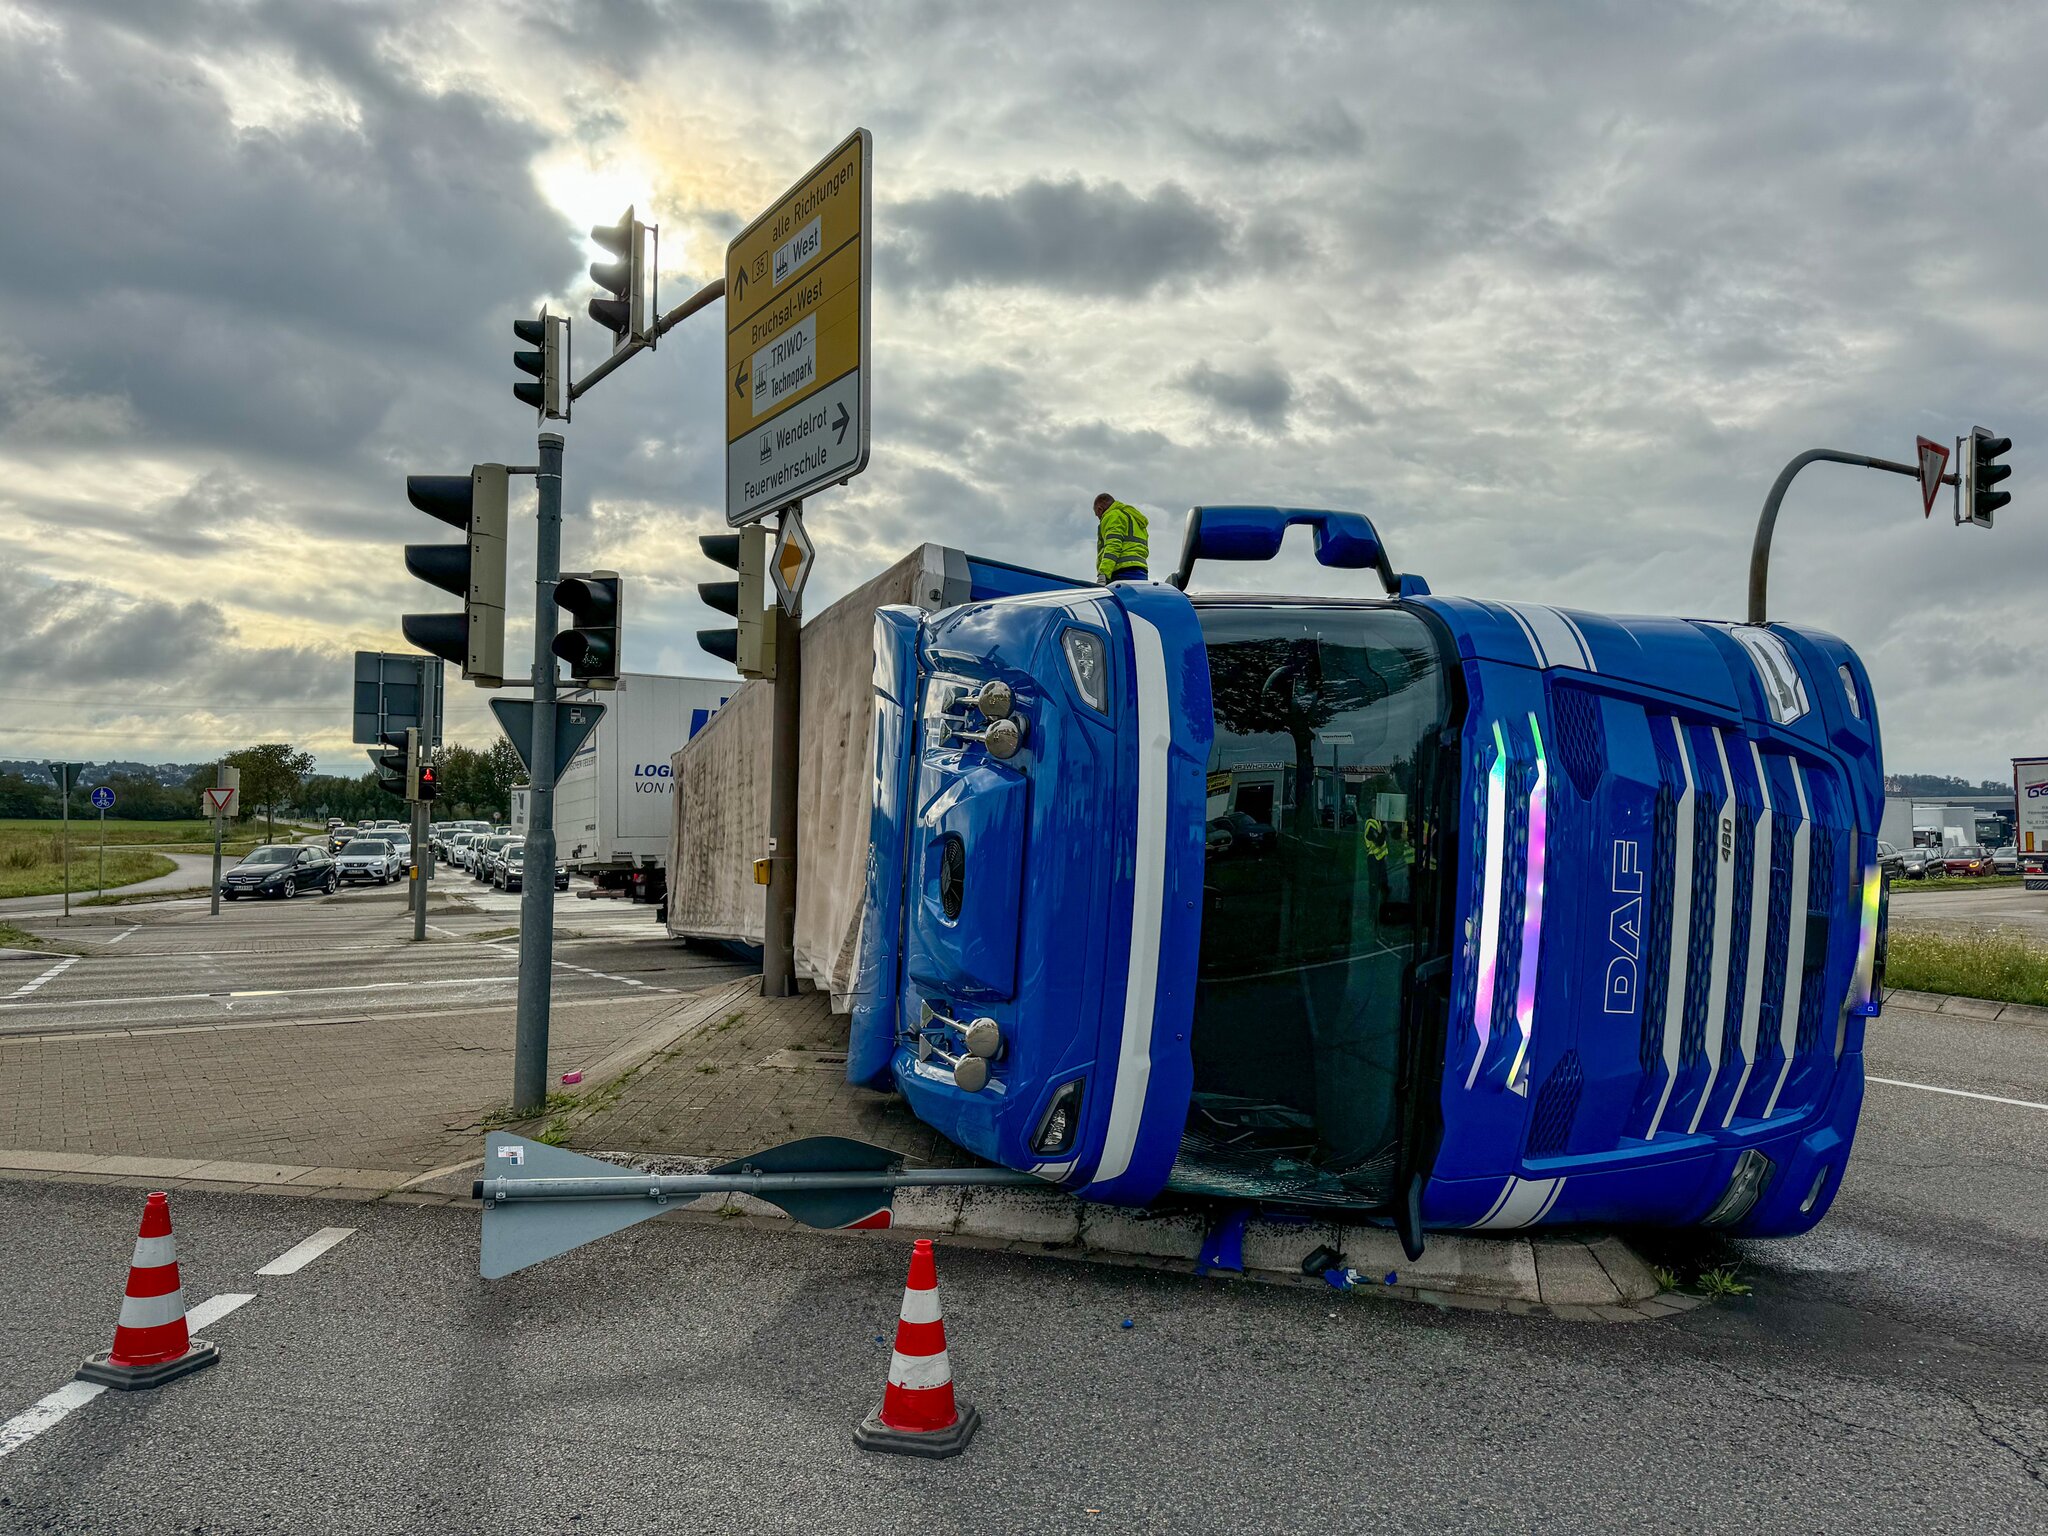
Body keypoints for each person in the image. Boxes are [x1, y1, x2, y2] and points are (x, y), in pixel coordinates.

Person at [1093, 493, 1149, 583]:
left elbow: (1113, 545)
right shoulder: (1135, 519)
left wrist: (1103, 573)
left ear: (1100, 509)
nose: (1099, 518)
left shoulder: (1112, 516)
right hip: (1141, 570)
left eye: (1097, 515)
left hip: (1122, 571)